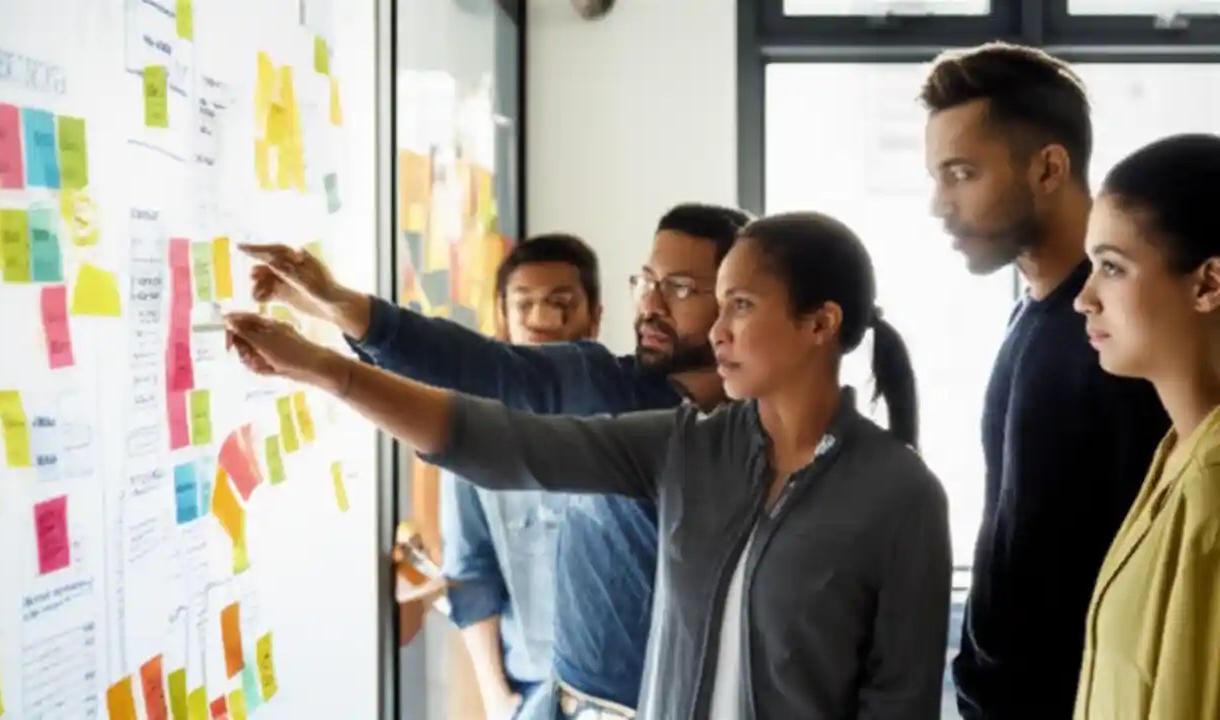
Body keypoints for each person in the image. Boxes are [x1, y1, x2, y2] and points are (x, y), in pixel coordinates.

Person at [226, 211, 954, 718]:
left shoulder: (899, 494)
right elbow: (493, 435)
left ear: (820, 323)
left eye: (734, 303)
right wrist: (325, 366)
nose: (716, 327)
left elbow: (900, 700)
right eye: (650, 282)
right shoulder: (683, 444)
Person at [239, 203, 750, 717]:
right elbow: (479, 366)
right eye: (646, 282)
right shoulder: (611, 384)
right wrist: (334, 304)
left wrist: (326, 361)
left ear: (735, 305)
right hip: (561, 701)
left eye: (680, 288)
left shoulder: (741, 439)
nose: (652, 304)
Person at [920, 42, 1169, 717]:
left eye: (961, 173)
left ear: (1049, 168)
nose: (940, 205)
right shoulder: (1030, 315)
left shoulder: (1119, 332)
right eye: (937, 178)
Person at [1072, 133, 1220, 719]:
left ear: (1208, 284)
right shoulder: (1177, 451)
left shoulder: (1212, 482)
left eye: (1112, 266)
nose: (1085, 298)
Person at [441, 234, 604, 718]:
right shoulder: (473, 427)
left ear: (594, 316)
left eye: (560, 304)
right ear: (503, 316)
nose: (541, 320)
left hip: (624, 689)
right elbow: (470, 571)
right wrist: (496, 695)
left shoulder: (632, 416)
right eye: (525, 304)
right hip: (529, 688)